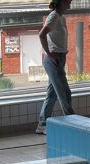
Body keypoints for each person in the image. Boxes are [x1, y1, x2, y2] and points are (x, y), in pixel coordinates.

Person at [36, 0, 75, 135]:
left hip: (59, 59)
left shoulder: (61, 17)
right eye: (68, 1)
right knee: (64, 93)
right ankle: (73, 123)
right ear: (61, 2)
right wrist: (49, 53)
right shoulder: (53, 16)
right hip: (53, 60)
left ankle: (42, 124)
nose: (70, 3)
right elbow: (42, 34)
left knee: (52, 94)